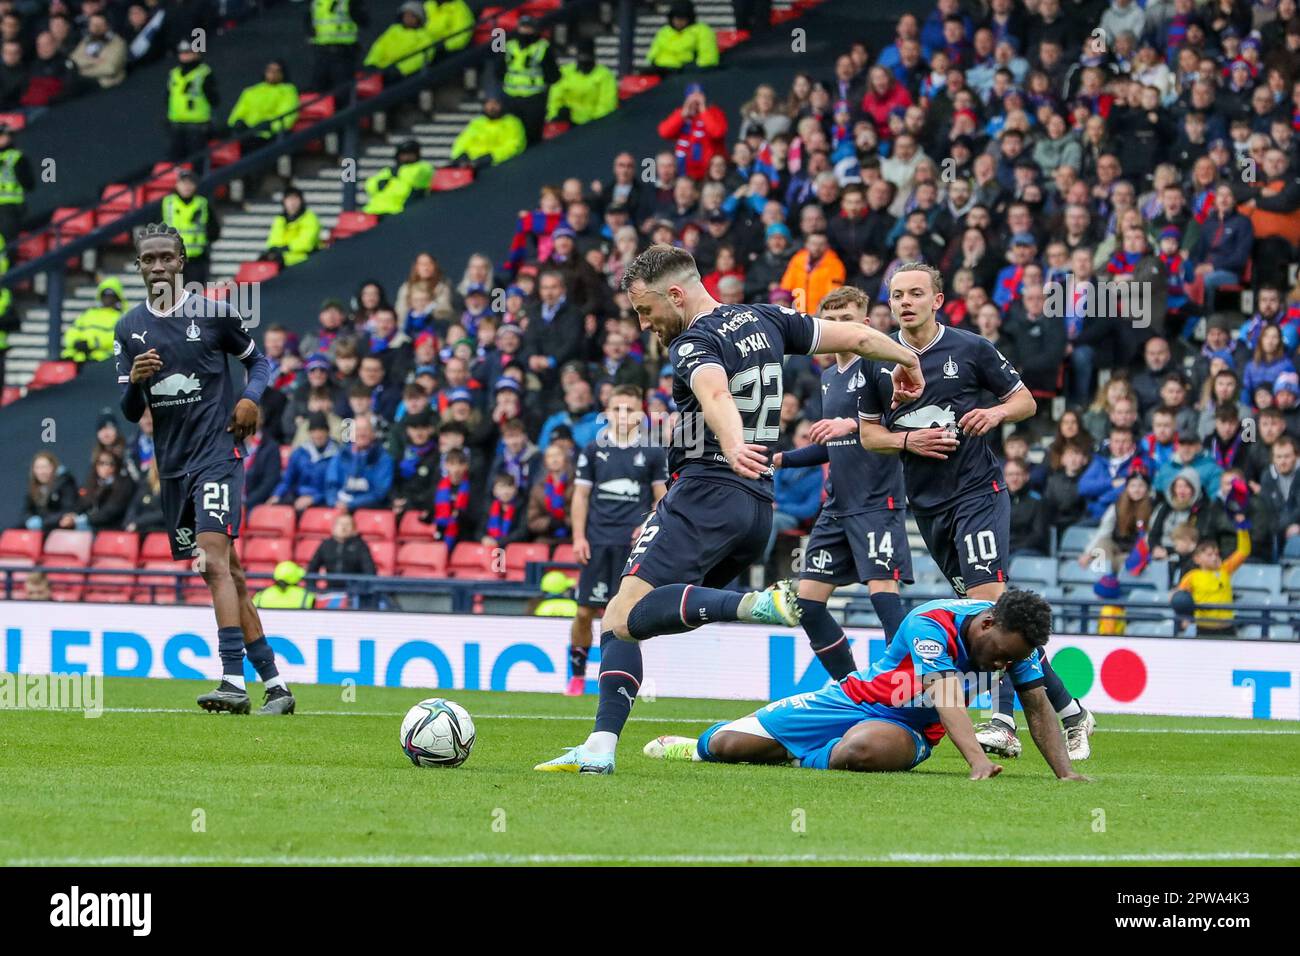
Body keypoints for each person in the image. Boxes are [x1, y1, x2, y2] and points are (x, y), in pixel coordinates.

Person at [534, 243, 924, 774]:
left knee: (620, 616)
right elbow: (855, 336)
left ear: (676, 293)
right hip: (755, 508)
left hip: (707, 492)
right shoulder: (767, 318)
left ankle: (752, 608)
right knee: (641, 618)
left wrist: (734, 443)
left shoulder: (695, 340)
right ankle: (601, 745)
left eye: (646, 310)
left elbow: (714, 394)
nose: (645, 323)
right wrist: (907, 359)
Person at [858, 262, 1094, 761]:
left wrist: (995, 412)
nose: (905, 302)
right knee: (979, 614)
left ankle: (1004, 721)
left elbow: (1025, 401)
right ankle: (1071, 711)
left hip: (976, 493)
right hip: (928, 506)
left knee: (991, 605)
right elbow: (869, 435)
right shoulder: (876, 360)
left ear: (937, 300)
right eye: (898, 294)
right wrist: (908, 439)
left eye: (916, 293)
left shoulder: (970, 349)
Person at [114, 222, 293, 716]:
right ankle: (276, 686)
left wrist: (250, 398)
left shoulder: (214, 315)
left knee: (213, 563)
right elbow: (131, 411)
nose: (157, 267)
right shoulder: (128, 327)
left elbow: (259, 363)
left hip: (218, 453)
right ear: (139, 267)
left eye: (165, 258)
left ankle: (232, 682)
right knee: (230, 572)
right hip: (172, 464)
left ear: (181, 262)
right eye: (147, 260)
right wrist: (135, 381)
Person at [645, 591, 1086, 781]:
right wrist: (976, 761)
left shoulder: (1019, 643)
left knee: (861, 750)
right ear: (987, 622)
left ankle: (805, 758)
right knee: (725, 746)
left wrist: (1066, 775)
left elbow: (1037, 705)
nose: (1003, 665)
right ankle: (694, 745)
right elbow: (948, 694)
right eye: (1001, 654)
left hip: (910, 729)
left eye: (1011, 659)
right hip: (851, 698)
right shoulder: (931, 623)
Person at [769, 287, 915, 680]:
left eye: (846, 320)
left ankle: (906, 689)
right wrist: (781, 459)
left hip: (875, 502)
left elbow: (904, 424)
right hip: (836, 506)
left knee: (883, 595)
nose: (837, 328)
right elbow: (833, 446)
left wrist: (852, 422)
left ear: (865, 324)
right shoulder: (829, 376)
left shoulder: (880, 367)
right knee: (808, 602)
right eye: (829, 322)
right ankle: (850, 687)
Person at [569, 386, 668, 696]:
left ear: (640, 414)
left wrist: (648, 525)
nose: (623, 416)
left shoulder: (653, 451)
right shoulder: (592, 450)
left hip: (631, 546)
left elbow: (661, 498)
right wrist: (578, 536)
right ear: (607, 413)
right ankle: (575, 675)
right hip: (597, 542)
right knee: (585, 611)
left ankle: (621, 681)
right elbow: (581, 496)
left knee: (625, 617)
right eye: (617, 410)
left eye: (629, 410)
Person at [1172, 517, 1252, 637]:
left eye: (1216, 554)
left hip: (1228, 628)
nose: (1214, 558)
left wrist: (1242, 530)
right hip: (1204, 629)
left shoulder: (1225, 569)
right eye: (1209, 555)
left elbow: (1243, 551)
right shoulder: (1192, 577)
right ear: (1197, 559)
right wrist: (1185, 617)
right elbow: (1179, 597)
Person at [496, 13, 558, 144]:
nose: (525, 30)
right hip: (511, 97)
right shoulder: (509, 45)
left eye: (528, 27)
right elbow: (498, 67)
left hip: (534, 98)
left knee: (532, 136)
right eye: (523, 27)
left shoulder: (543, 47)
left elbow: (553, 75)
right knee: (512, 134)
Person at [161, 170, 218, 287]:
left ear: (195, 185)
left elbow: (214, 229)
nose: (186, 187)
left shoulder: (202, 204)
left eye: (190, 183)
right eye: (183, 183)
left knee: (195, 295)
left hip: (197, 260)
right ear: (177, 185)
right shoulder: (168, 203)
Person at [227, 60, 300, 151]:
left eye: (277, 71)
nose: (273, 74)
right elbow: (237, 113)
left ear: (282, 74)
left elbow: (288, 114)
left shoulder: (288, 90)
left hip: (271, 135)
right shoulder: (251, 91)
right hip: (250, 134)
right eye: (270, 71)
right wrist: (237, 123)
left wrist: (271, 126)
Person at [166, 40, 219, 162]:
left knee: (197, 159)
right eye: (182, 53)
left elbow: (214, 99)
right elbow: (168, 96)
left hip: (197, 124)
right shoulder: (174, 73)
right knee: (175, 160)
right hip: (176, 122)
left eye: (188, 52)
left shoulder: (204, 73)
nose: (184, 56)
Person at [546, 38, 616, 128]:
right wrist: (555, 116)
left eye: (587, 54)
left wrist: (595, 123)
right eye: (582, 53)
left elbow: (606, 104)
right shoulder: (564, 71)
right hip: (565, 122)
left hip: (592, 124)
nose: (584, 57)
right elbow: (554, 99)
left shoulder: (604, 75)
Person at [307, 0, 368, 94]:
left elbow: (364, 20)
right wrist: (310, 32)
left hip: (343, 53)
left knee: (342, 90)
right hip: (321, 52)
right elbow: (309, 19)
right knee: (318, 91)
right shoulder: (316, 2)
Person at [448, 97, 526, 170]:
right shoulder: (478, 122)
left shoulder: (512, 122)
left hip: (498, 165)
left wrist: (492, 157)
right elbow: (462, 141)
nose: (492, 108)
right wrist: (459, 155)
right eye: (489, 104)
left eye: (495, 104)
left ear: (502, 105)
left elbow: (514, 146)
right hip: (472, 163)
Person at [62, 277, 127, 364]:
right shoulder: (89, 313)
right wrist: (75, 342)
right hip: (77, 357)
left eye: (111, 296)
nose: (107, 298)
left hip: (101, 360)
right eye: (104, 295)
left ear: (117, 298)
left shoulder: (121, 317)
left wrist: (91, 344)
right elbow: (72, 331)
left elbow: (115, 338)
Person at [363, 139, 432, 217]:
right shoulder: (389, 170)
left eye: (410, 154)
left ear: (417, 155)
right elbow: (370, 185)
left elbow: (415, 177)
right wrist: (379, 183)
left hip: (398, 212)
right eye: (403, 154)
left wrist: (396, 174)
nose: (407, 157)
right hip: (373, 211)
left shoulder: (423, 167)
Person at [363, 1, 432, 79]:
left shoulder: (424, 36)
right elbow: (379, 47)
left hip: (403, 76)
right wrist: (371, 63)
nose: (407, 18)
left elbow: (420, 58)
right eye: (405, 15)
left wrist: (401, 69)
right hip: (382, 73)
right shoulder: (394, 30)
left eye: (411, 15)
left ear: (419, 18)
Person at [646, 0, 719, 73]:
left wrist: (689, 70)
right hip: (660, 71)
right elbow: (653, 54)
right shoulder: (664, 31)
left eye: (682, 18)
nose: (679, 22)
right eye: (676, 18)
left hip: (684, 73)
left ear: (690, 18)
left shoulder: (701, 31)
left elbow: (708, 59)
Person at [262, 187, 322, 267]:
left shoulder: (310, 218)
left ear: (301, 201)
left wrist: (285, 248)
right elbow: (273, 241)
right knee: (262, 260)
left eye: (295, 199)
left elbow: (306, 243)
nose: (292, 203)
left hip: (305, 257)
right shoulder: (280, 219)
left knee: (276, 262)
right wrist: (277, 249)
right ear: (284, 201)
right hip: (284, 255)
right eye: (289, 199)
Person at [21, 451, 80, 532]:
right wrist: (29, 520)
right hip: (40, 530)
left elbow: (68, 509)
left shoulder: (65, 483)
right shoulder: (34, 487)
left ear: (54, 468)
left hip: (58, 529)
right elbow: (27, 510)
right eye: (37, 467)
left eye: (45, 467)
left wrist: (43, 522)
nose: (41, 472)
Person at [308, 510, 376, 576]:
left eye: (347, 524)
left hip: (354, 586)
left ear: (354, 529)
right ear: (333, 528)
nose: (343, 527)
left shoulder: (360, 545)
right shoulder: (326, 545)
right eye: (340, 524)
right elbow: (311, 569)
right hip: (331, 587)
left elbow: (370, 572)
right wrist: (311, 586)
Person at [69, 11, 126, 89]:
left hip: (108, 86)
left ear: (107, 26)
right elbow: (73, 59)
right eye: (93, 25)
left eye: (99, 25)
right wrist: (93, 60)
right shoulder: (87, 40)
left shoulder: (117, 42)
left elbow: (110, 68)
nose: (96, 29)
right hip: (88, 84)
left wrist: (82, 71)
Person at [0, 121, 35, 242]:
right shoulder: (16, 157)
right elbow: (29, 184)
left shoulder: (14, 157)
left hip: (9, 209)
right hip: (9, 209)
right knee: (8, 244)